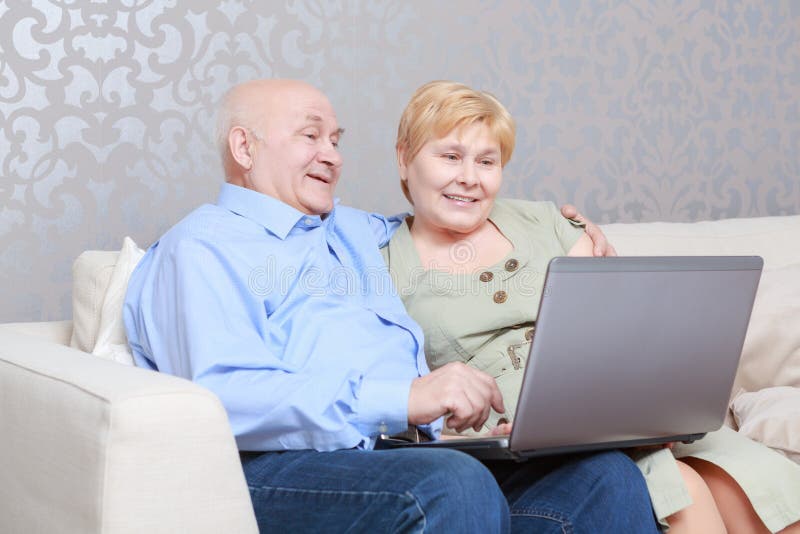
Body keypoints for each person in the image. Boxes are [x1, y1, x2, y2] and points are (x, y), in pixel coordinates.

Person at [123, 78, 660, 532]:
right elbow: (221, 396)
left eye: (335, 139)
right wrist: (402, 397)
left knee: (604, 475)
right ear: (244, 148)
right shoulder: (202, 246)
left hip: (397, 456)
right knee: (451, 482)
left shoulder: (353, 230)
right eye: (311, 135)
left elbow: (447, 214)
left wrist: (564, 230)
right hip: (272, 465)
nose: (332, 154)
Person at [382, 80, 800, 533]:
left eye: (487, 161)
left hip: (618, 408)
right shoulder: (380, 261)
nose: (469, 177)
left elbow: (619, 330)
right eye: (450, 156)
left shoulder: (547, 222)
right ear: (405, 158)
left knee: (755, 479)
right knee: (680, 487)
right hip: (515, 443)